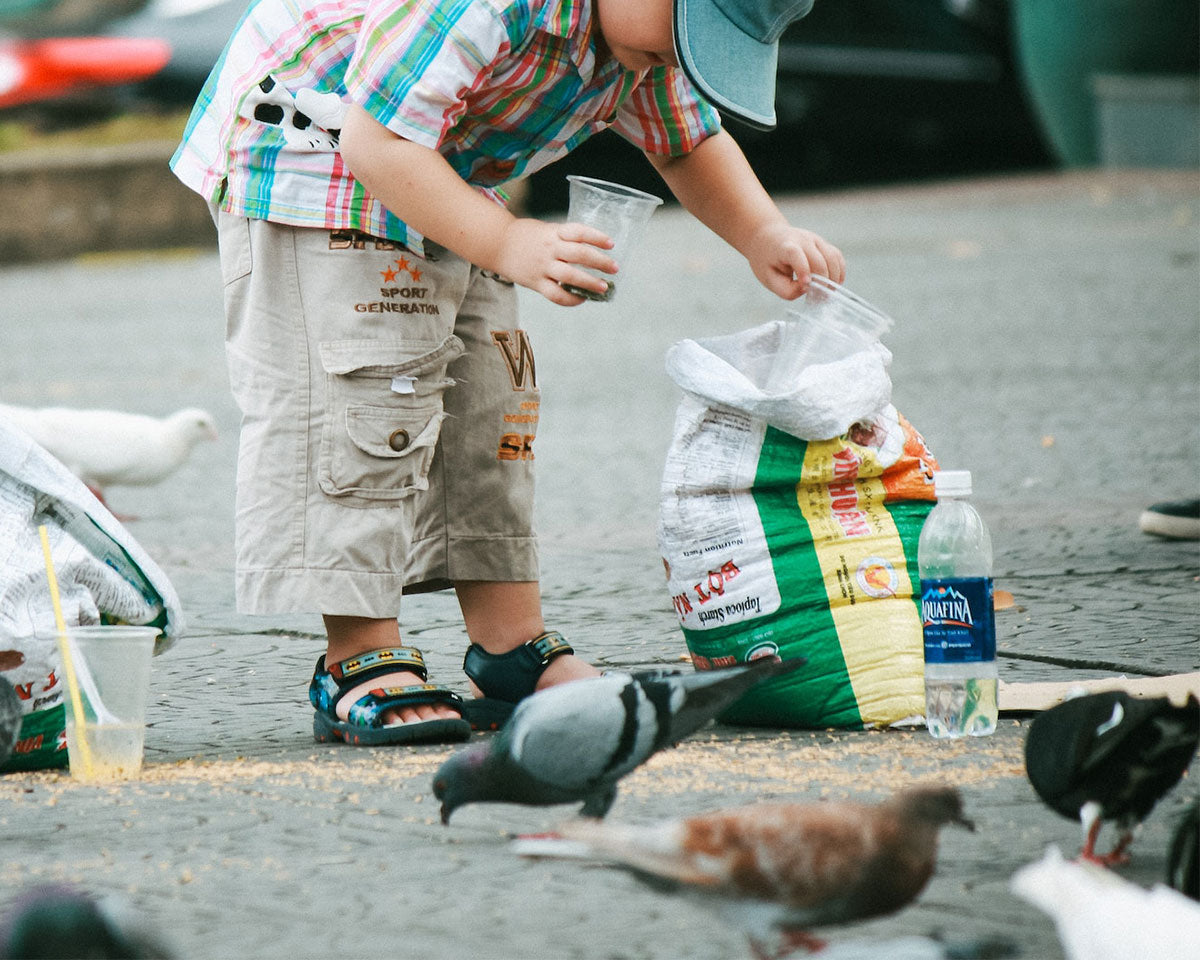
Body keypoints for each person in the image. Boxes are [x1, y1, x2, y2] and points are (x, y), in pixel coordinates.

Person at [169, 0, 846, 745]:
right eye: (684, 42)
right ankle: (357, 655)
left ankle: (509, 648)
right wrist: (507, 240)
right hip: (315, 158)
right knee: (367, 400)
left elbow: (686, 142)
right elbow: (378, 139)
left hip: (435, 170)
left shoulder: (645, 44)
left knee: (492, 408)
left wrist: (762, 233)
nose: (678, 66)